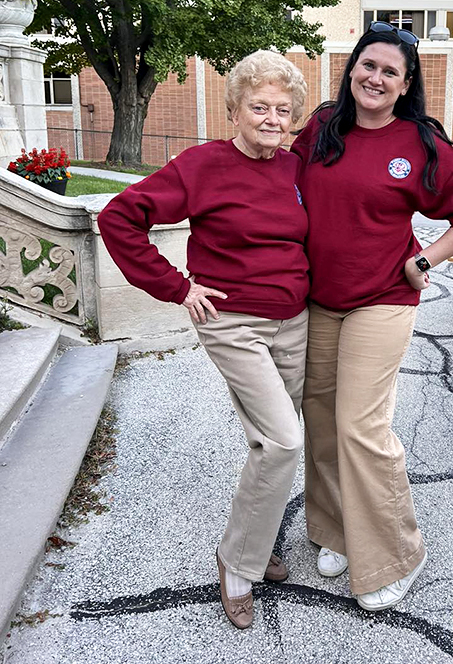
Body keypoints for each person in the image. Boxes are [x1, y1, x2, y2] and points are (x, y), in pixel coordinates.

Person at [97, 50, 310, 630]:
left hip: (295, 323)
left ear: (294, 118)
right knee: (286, 442)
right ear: (234, 111)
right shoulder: (202, 166)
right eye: (259, 106)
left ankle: (257, 537)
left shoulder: (295, 169)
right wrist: (175, 286)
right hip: (232, 321)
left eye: (282, 109)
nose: (271, 117)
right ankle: (237, 565)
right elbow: (119, 218)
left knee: (269, 443)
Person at [291, 22, 453, 611]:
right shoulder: (323, 126)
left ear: (406, 85)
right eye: (368, 65)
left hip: (382, 299)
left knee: (361, 427)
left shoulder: (420, 144)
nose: (375, 78)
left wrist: (425, 257)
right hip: (318, 301)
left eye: (390, 71)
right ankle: (333, 530)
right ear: (352, 67)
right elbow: (279, 183)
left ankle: (397, 554)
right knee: (323, 421)